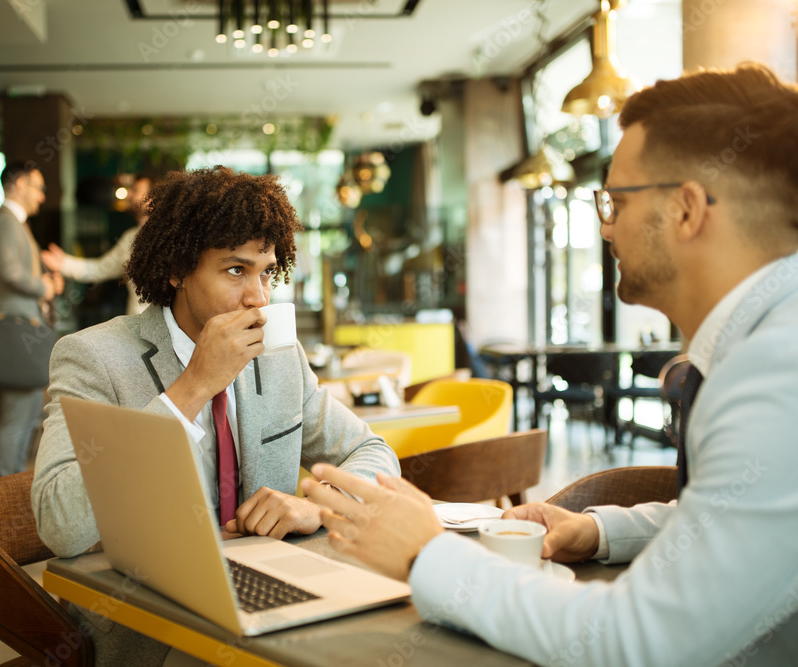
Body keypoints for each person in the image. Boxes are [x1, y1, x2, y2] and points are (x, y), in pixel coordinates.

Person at [303, 64, 798, 666]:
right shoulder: (762, 345)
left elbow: (635, 643)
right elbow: (738, 531)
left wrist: (426, 555)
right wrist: (600, 530)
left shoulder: (773, 372)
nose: (606, 228)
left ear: (687, 210)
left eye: (615, 201)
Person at [32, 166, 400, 666]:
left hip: (267, 596)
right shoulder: (93, 357)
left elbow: (372, 452)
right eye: (235, 270)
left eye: (266, 271)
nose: (259, 297)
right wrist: (192, 388)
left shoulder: (277, 355)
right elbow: (60, 524)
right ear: (177, 269)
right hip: (150, 624)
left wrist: (322, 508)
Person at [0, 162, 62, 479]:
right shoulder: (4, 223)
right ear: (18, 185)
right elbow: (10, 272)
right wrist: (44, 286)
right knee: (15, 418)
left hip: (24, 335)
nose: (42, 196)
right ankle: (0, 492)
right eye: (38, 187)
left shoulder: (17, 223)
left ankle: (11, 487)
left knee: (27, 416)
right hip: (14, 335)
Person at [40, 174, 152, 315]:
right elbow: (99, 269)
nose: (129, 195)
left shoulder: (171, 237)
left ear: (154, 197)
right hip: (138, 327)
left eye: (135, 190)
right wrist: (64, 263)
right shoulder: (130, 238)